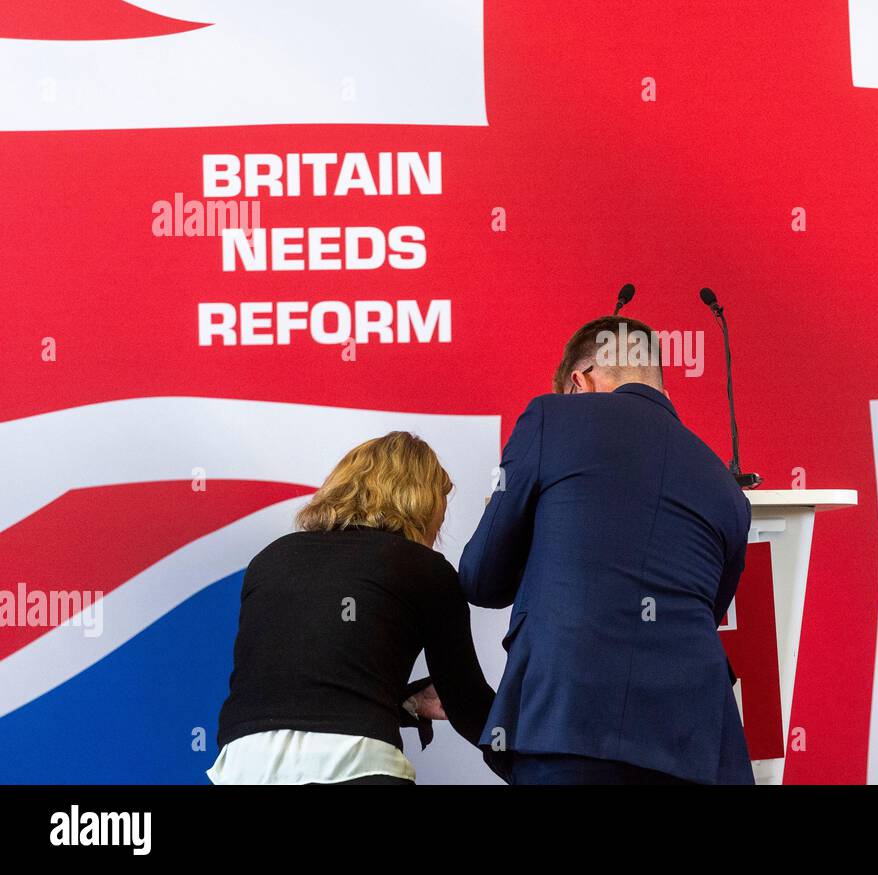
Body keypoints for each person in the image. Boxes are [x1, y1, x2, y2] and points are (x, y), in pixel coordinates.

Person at [459, 315, 754, 784]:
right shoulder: (727, 488)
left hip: (568, 721)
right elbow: (712, 610)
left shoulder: (549, 417)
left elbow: (481, 578)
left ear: (580, 380)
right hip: (692, 741)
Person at [208, 432, 493, 785]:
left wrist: (406, 701)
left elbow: (295, 680)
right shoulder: (424, 568)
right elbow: (467, 702)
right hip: (357, 764)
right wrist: (539, 765)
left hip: (243, 764)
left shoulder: (271, 558)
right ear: (420, 502)